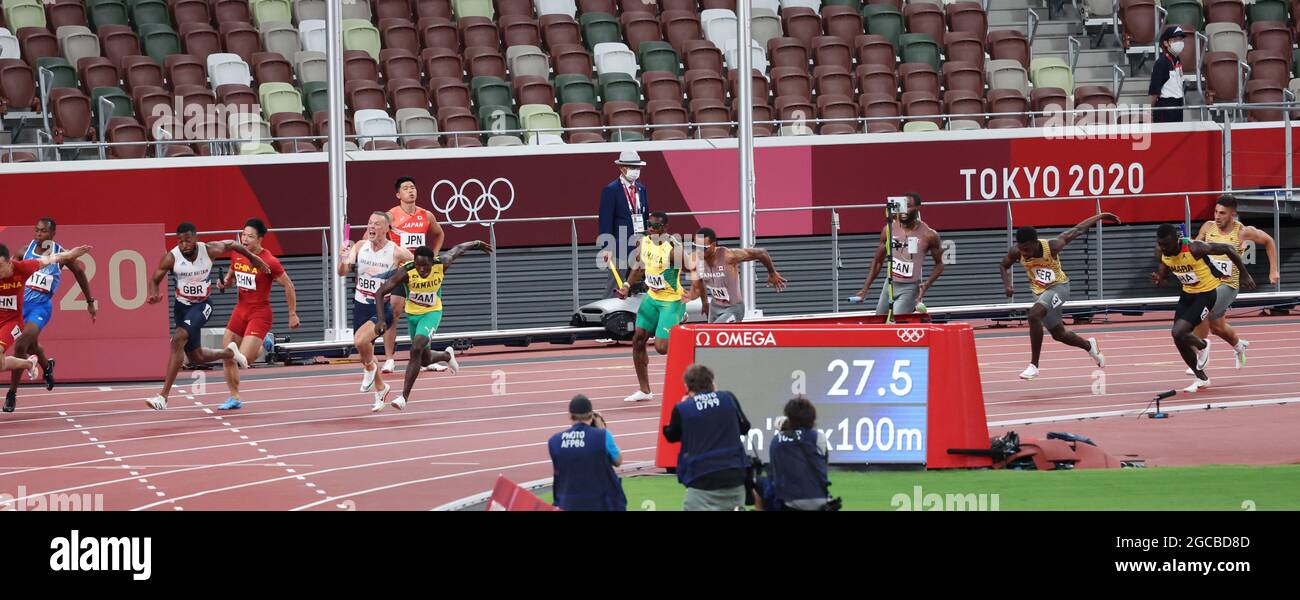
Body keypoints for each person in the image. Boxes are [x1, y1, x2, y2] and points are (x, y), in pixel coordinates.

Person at [144, 223, 270, 410]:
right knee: (196, 357)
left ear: (195, 238)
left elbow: (233, 244)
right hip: (182, 308)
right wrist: (153, 294)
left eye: (187, 240)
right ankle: (229, 353)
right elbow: (155, 279)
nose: (183, 244)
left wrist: (254, 258)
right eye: (179, 240)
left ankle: (163, 397)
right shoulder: (171, 258)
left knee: (177, 340)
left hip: (202, 305)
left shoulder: (209, 250)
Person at [375, 241, 493, 410]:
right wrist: (381, 320)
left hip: (432, 313)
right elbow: (380, 293)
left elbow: (457, 248)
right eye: (418, 265)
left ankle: (403, 397)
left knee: (415, 348)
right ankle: (446, 356)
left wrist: (475, 244)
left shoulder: (442, 263)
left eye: (425, 266)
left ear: (432, 262)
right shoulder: (406, 272)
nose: (422, 270)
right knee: (424, 359)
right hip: (413, 316)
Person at [999, 213, 1117, 380]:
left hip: (1059, 288)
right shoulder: (1017, 252)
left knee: (1034, 315)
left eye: (1027, 249)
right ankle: (1089, 346)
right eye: (1021, 249)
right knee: (1059, 334)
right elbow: (1003, 266)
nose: (1024, 253)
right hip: (1040, 293)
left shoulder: (1053, 246)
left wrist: (1101, 216)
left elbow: (1078, 230)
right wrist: (1007, 285)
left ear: (1035, 242)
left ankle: (1034, 366)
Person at [1152, 223, 1254, 392]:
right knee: (1178, 338)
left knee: (1179, 332)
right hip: (1187, 295)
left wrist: (1244, 274)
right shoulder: (1162, 253)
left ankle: (1203, 345)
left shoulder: (1194, 248)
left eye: (1167, 245)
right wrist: (1159, 279)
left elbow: (1228, 249)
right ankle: (1202, 379)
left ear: (1177, 240)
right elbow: (1164, 278)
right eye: (1161, 244)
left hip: (1206, 294)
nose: (1164, 248)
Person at [6, 218, 95, 410]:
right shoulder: (24, 251)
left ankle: (12, 393)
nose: (39, 234)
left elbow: (79, 272)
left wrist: (90, 302)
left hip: (40, 309)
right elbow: (9, 273)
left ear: (53, 234)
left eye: (43, 231)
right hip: (20, 307)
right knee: (31, 347)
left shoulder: (61, 255)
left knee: (21, 344)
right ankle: (46, 365)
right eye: (36, 231)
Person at [214, 218, 300, 410]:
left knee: (244, 359)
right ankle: (234, 397)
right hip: (240, 310)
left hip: (259, 313)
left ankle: (264, 343)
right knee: (227, 355)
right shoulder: (237, 254)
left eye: (250, 237)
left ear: (260, 239)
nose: (244, 239)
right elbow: (231, 277)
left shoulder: (269, 261)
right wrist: (224, 283)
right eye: (243, 234)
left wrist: (292, 313)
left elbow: (288, 285)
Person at [1190, 195, 1280, 370]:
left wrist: (1273, 270)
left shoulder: (1243, 231)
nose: (1217, 216)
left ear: (1233, 214)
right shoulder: (1208, 227)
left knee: (1202, 311)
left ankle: (1201, 351)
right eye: (1215, 211)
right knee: (1217, 328)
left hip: (1228, 285)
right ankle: (1239, 346)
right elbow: (1195, 246)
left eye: (1222, 213)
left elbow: (1269, 241)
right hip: (1207, 283)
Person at [616, 211, 697, 403]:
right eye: (649, 225)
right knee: (638, 340)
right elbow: (638, 267)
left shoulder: (673, 250)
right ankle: (645, 391)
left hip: (671, 301)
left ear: (665, 228)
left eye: (656, 226)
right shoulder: (643, 242)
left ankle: (681, 317)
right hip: (652, 298)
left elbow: (693, 269)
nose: (651, 229)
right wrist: (627, 286)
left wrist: (693, 293)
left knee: (661, 348)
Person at [339, 211, 414, 411]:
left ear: (387, 229)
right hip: (360, 304)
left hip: (383, 307)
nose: (372, 227)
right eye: (370, 223)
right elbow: (342, 272)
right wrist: (343, 258)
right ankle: (380, 387)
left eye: (377, 224)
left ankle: (371, 369)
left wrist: (414, 293)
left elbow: (417, 270)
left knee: (360, 341)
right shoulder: (359, 246)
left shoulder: (397, 252)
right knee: (365, 351)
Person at [662, 364, 751, 511]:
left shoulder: (683, 408)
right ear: (712, 382)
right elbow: (745, 427)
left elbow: (671, 436)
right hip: (734, 474)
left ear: (687, 386)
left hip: (701, 478)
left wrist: (684, 405)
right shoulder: (728, 398)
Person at [385, 175, 446, 374]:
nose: (411, 191)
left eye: (413, 187)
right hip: (402, 272)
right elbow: (375, 235)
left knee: (426, 313)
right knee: (394, 312)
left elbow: (439, 234)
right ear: (398, 194)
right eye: (405, 188)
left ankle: (426, 358)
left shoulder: (426, 215)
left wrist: (433, 257)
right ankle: (389, 359)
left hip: (423, 274)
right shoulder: (391, 215)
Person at [851, 193, 944, 319]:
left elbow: (940, 264)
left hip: (910, 287)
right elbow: (878, 261)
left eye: (909, 206)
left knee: (896, 321)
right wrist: (865, 289)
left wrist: (926, 284)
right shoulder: (889, 229)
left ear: (918, 208)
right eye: (902, 206)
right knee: (880, 320)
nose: (904, 210)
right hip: (889, 285)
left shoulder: (929, 235)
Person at [547, 394, 627, 511]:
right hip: (602, 503)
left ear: (569, 415)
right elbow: (618, 461)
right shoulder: (602, 436)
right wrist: (602, 429)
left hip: (568, 503)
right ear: (592, 415)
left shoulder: (554, 441)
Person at [690, 227, 787, 323]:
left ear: (713, 245)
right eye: (696, 246)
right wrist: (705, 303)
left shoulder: (728, 256)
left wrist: (772, 272)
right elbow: (700, 281)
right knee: (711, 336)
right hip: (714, 308)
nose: (699, 251)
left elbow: (761, 252)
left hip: (733, 308)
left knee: (716, 332)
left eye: (703, 248)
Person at [598, 150, 651, 299]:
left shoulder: (641, 189)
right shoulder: (611, 190)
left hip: (640, 244)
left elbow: (646, 216)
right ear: (622, 168)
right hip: (619, 245)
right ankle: (608, 314)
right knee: (616, 282)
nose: (636, 171)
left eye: (638, 168)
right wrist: (606, 247)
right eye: (632, 167)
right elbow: (605, 220)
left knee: (638, 282)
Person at [768, 397, 833, 511]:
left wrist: (784, 428)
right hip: (820, 499)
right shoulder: (818, 437)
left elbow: (774, 473)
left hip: (790, 502)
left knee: (760, 484)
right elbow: (823, 464)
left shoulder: (776, 440)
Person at [1149, 26, 1186, 123]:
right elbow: (1154, 92)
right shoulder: (1161, 63)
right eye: (1175, 39)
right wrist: (1151, 111)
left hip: (1178, 105)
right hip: (1165, 107)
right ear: (1166, 43)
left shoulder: (1177, 60)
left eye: (1181, 39)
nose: (1179, 42)